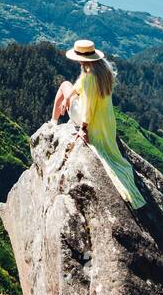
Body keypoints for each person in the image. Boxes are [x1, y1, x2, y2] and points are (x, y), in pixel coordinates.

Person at [53, 39, 146, 209]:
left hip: (89, 120)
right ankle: (54, 119)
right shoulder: (103, 72)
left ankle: (53, 122)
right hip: (106, 122)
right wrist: (69, 97)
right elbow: (80, 85)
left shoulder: (90, 77)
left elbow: (88, 106)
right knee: (68, 89)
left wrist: (83, 128)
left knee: (64, 84)